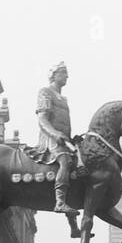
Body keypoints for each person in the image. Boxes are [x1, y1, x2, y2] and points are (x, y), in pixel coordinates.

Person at [35, 61, 80, 214]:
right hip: (50, 138)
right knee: (65, 162)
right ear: (54, 75)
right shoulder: (45, 92)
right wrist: (55, 134)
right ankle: (60, 203)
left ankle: (73, 222)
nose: (66, 76)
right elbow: (42, 120)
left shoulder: (63, 99)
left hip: (64, 140)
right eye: (63, 73)